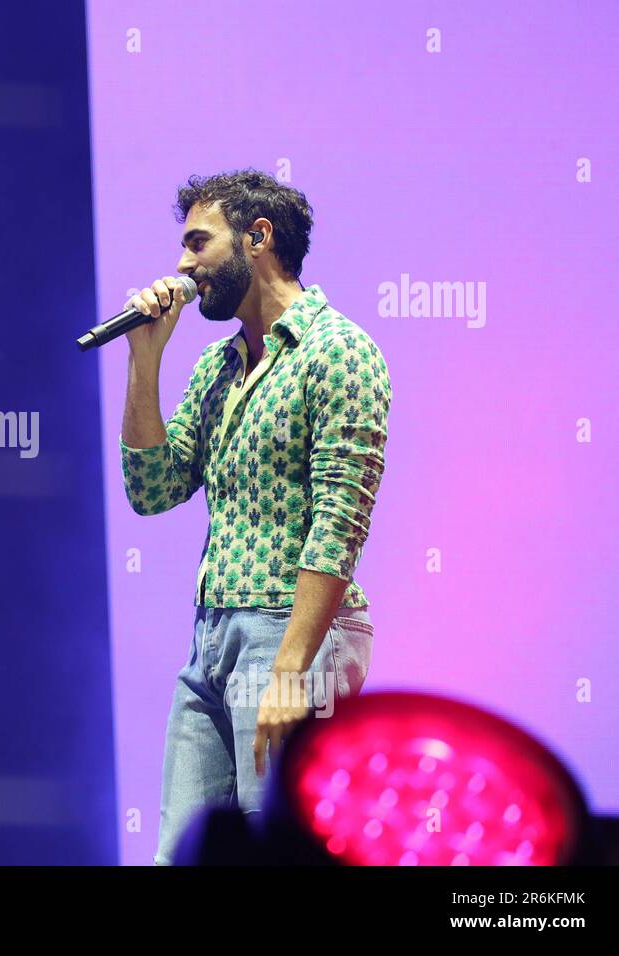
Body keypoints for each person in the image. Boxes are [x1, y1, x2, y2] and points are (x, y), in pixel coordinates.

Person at [118, 170, 392, 865]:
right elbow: (153, 488)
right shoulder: (220, 364)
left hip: (291, 632)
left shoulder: (338, 351)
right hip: (212, 637)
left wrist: (292, 668)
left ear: (257, 238)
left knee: (280, 854)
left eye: (197, 243)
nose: (182, 265)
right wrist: (144, 360)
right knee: (183, 854)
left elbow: (340, 519)